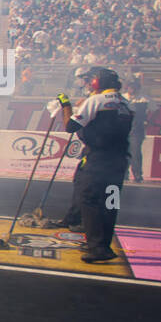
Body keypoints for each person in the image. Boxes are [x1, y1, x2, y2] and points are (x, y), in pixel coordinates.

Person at [56, 66, 134, 263]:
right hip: (119, 162)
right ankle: (103, 244)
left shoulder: (96, 101)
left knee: (89, 200)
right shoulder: (126, 103)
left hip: (99, 160)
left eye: (92, 79)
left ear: (98, 82)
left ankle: (97, 247)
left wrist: (65, 105)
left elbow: (70, 126)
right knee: (111, 203)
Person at [122, 79, 150, 182]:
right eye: (130, 87)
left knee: (135, 153)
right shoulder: (122, 98)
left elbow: (154, 109)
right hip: (124, 130)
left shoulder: (143, 99)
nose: (132, 89)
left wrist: (146, 120)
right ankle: (124, 174)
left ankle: (137, 174)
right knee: (124, 152)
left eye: (134, 87)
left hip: (136, 130)